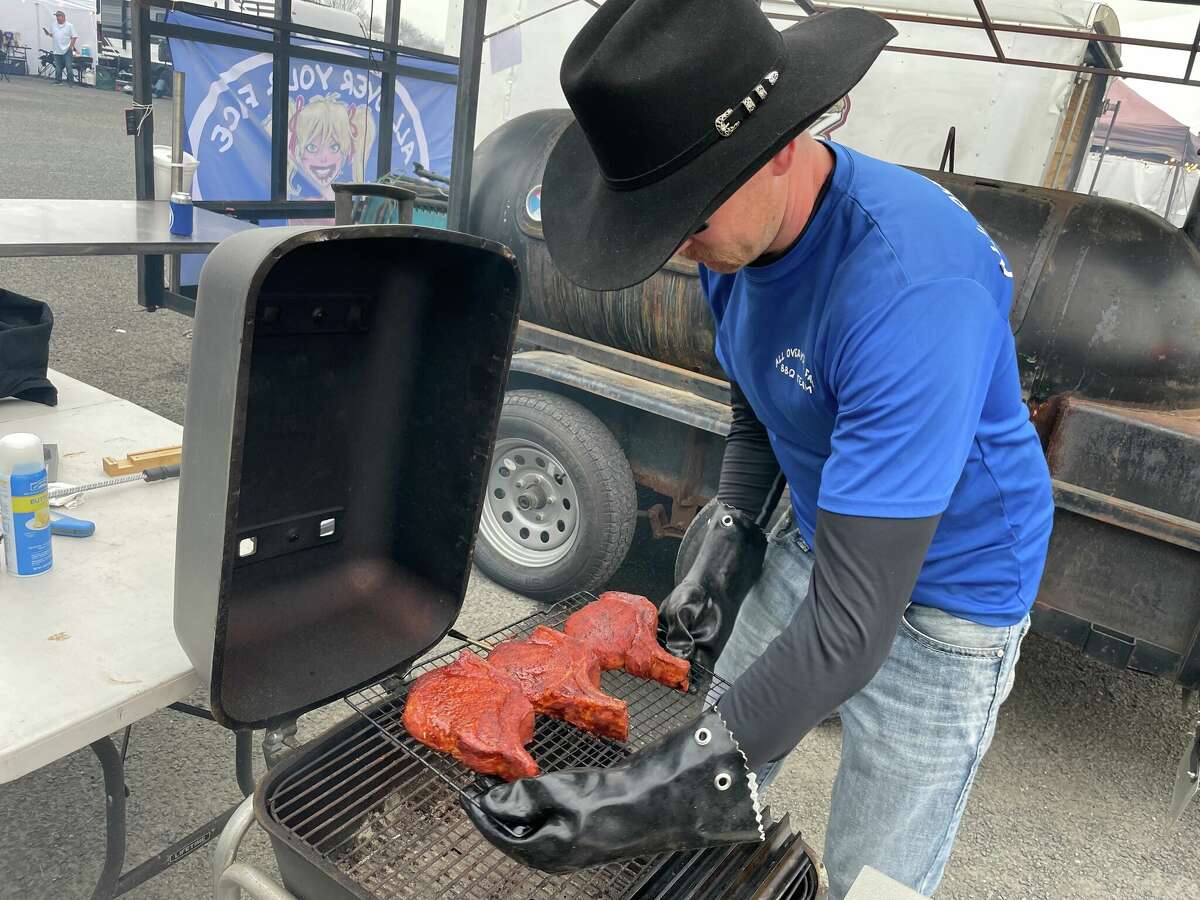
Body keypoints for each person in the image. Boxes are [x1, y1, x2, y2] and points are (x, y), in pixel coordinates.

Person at [462, 1, 1055, 898]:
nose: (676, 242)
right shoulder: (726, 231)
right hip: (822, 538)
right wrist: (733, 524)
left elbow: (852, 631)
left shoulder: (909, 292)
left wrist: (636, 793)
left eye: (685, 216)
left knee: (872, 876)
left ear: (780, 140)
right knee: (727, 763)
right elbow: (761, 402)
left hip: (950, 599)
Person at [43, 9, 77, 86]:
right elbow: (53, 35)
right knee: (58, 67)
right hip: (57, 49)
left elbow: (74, 37)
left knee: (69, 67)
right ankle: (58, 81)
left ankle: (71, 82)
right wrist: (48, 34)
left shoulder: (69, 26)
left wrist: (70, 47)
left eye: (59, 16)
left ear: (63, 17)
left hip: (67, 49)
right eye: (56, 16)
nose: (57, 18)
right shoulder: (53, 25)